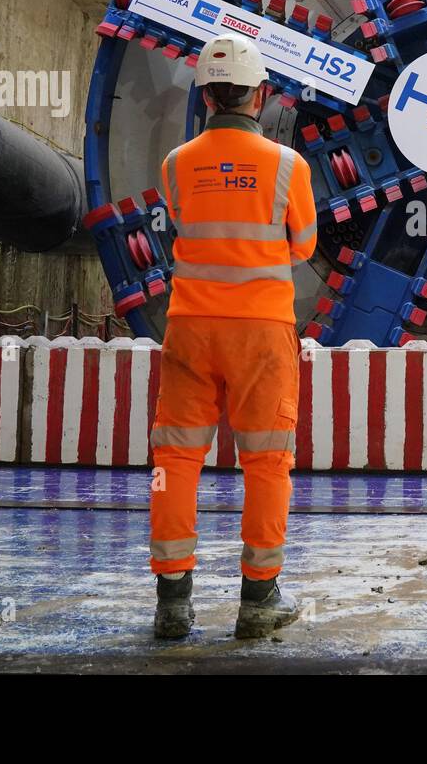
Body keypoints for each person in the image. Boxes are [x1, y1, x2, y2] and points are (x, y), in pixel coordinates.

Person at [148, 32, 317, 640]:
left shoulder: (175, 163)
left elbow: (183, 225)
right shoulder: (288, 166)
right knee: (267, 462)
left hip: (189, 328)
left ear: (203, 96)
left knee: (175, 459)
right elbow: (303, 246)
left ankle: (172, 604)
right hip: (262, 332)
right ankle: (258, 601)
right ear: (262, 95)